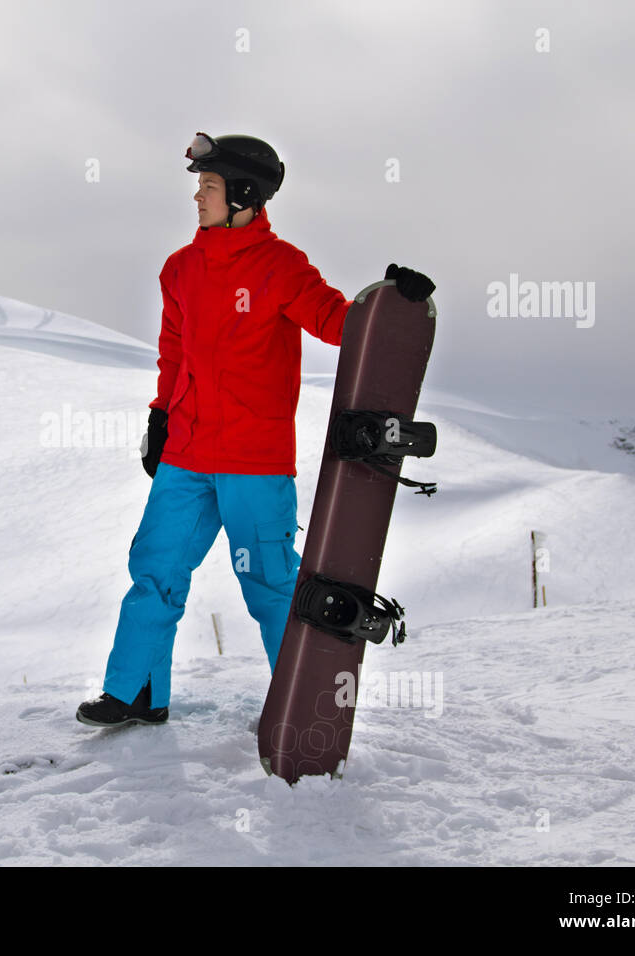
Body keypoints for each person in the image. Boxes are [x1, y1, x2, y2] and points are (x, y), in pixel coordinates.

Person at [77, 132, 434, 727]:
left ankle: (305, 703)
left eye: (209, 188)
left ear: (244, 194)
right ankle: (136, 691)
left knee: (269, 583)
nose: (198, 198)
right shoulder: (181, 269)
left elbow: (337, 323)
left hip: (254, 461)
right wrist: (161, 416)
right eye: (199, 187)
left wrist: (390, 305)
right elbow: (173, 351)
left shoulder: (281, 267)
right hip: (187, 457)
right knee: (155, 569)